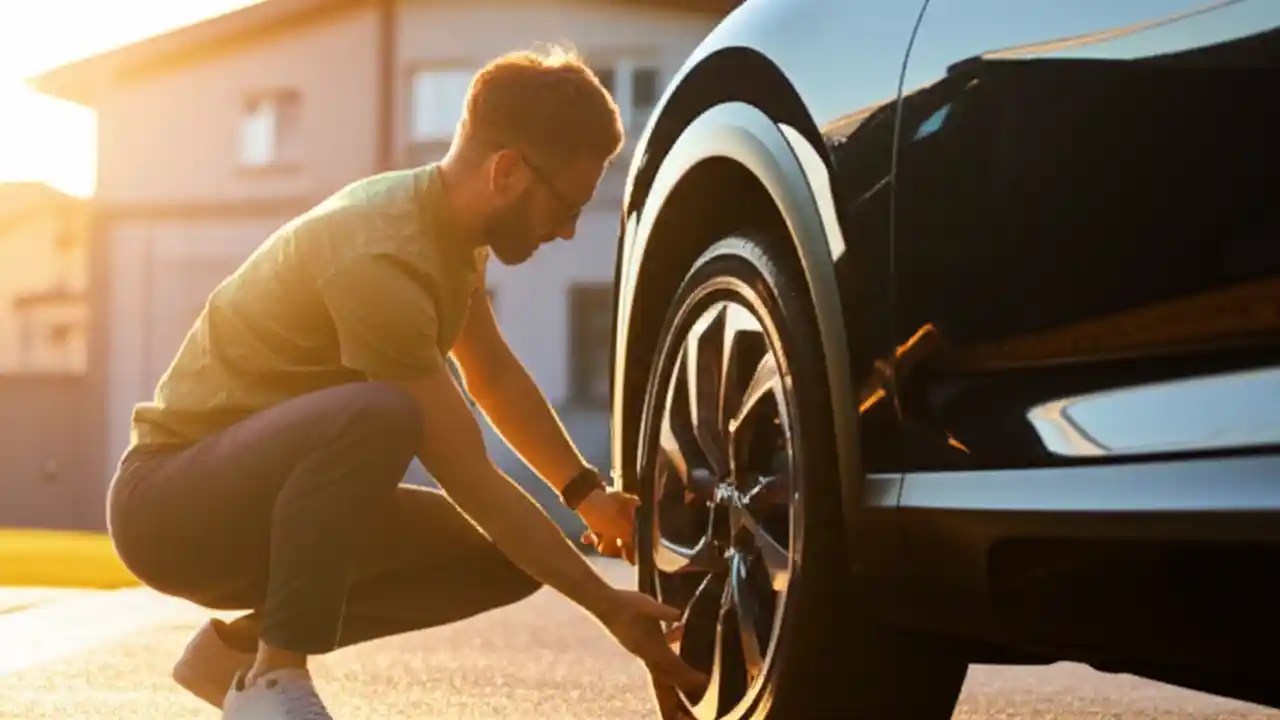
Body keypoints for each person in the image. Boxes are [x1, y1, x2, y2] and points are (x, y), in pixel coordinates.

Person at [105, 46, 706, 719]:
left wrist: (585, 494)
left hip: (271, 502)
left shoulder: (447, 237)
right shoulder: (381, 252)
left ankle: (233, 656)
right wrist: (606, 607)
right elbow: (468, 474)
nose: (568, 230)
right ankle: (276, 677)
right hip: (171, 507)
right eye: (566, 205)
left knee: (509, 555)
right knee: (381, 415)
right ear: (507, 171)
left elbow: (494, 378)